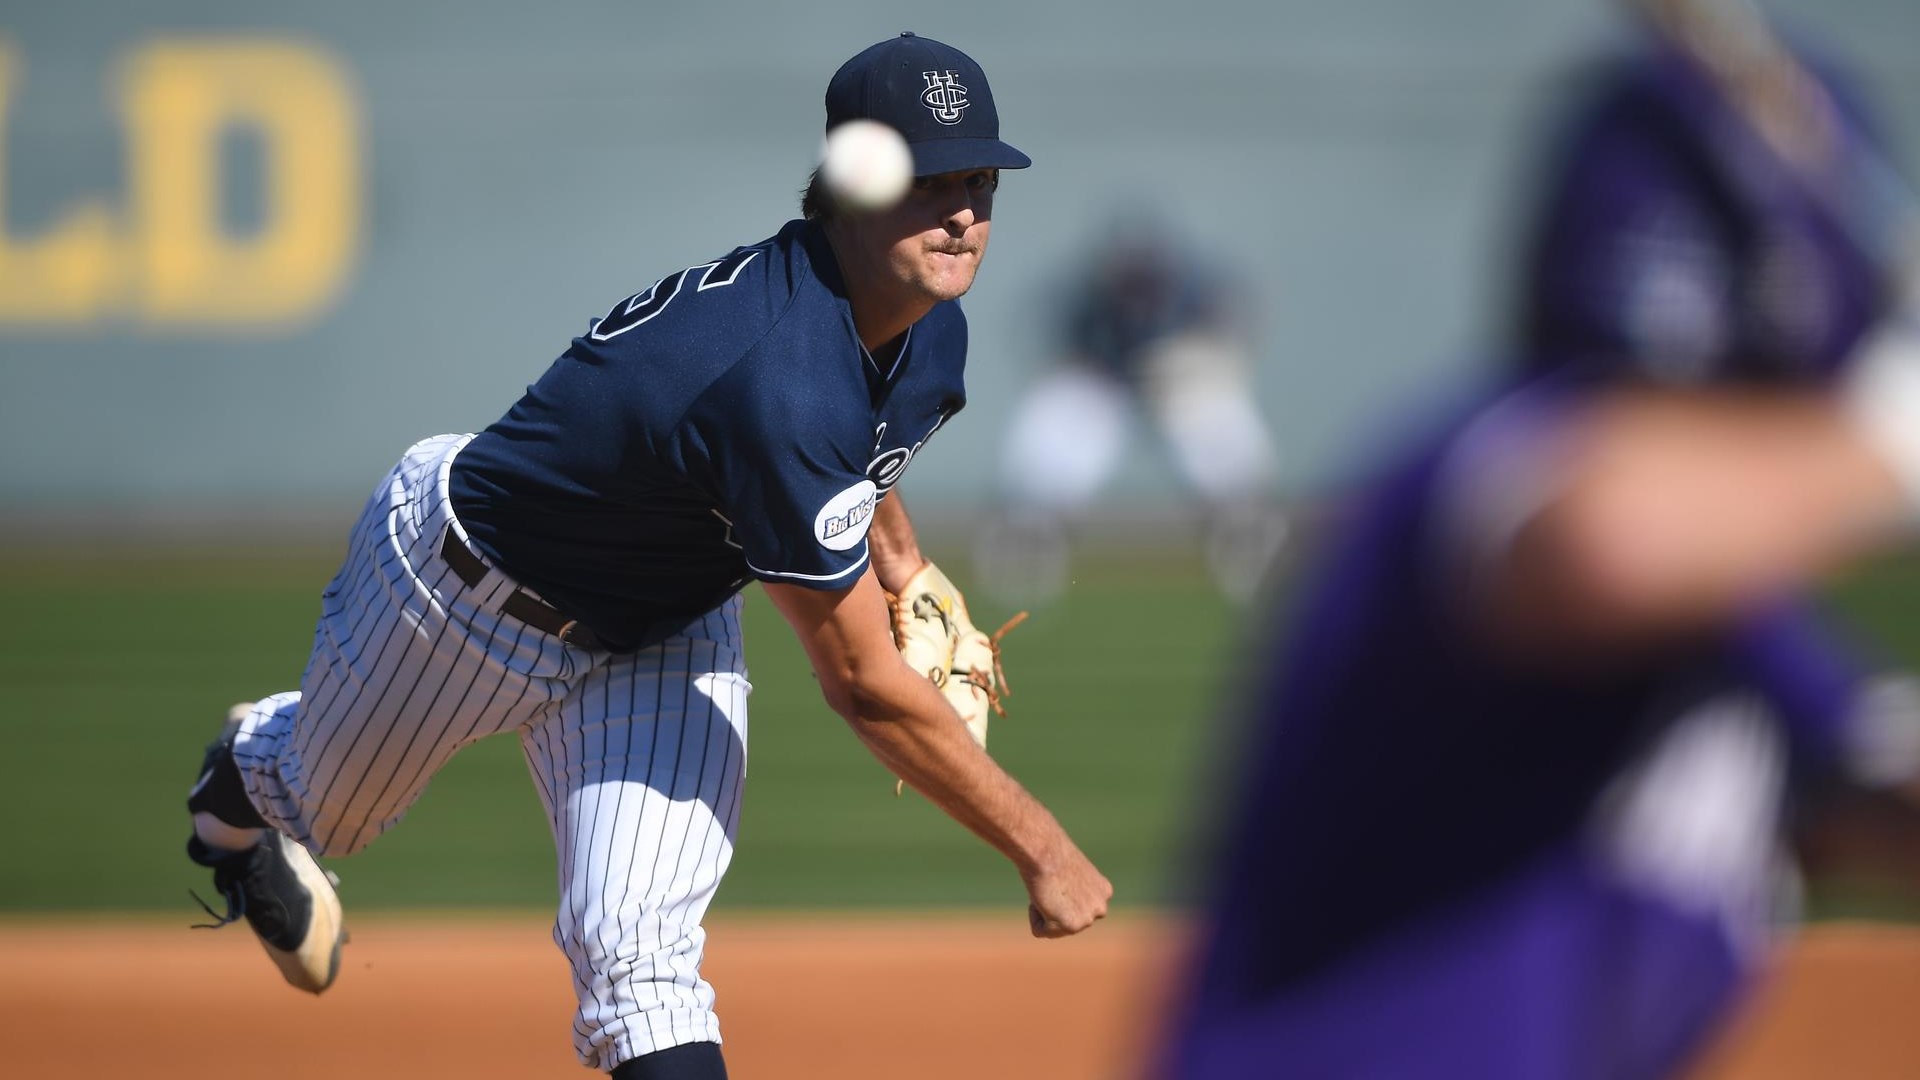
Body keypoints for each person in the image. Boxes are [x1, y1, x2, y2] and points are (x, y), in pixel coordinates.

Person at [180, 32, 1111, 1080]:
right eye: (927, 178)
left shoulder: (927, 324)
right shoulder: (775, 375)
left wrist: (905, 570)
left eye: (979, 178)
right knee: (331, 812)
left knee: (643, 964)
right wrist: (1045, 850)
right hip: (462, 593)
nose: (963, 211)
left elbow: (856, 452)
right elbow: (861, 684)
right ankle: (248, 766)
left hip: (666, 622)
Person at [1161, 10, 1920, 1078]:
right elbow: (1607, 535)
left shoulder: (1740, 637)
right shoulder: (1498, 469)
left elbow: (1871, 797)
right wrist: (1894, 431)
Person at [973, 218, 1286, 603]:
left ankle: (1253, 559)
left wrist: (1192, 359)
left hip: (1175, 384)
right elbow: (1054, 346)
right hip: (1106, 384)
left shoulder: (1195, 292)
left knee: (1230, 467)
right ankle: (1024, 559)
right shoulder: (1088, 299)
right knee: (1049, 464)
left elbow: (1233, 332)